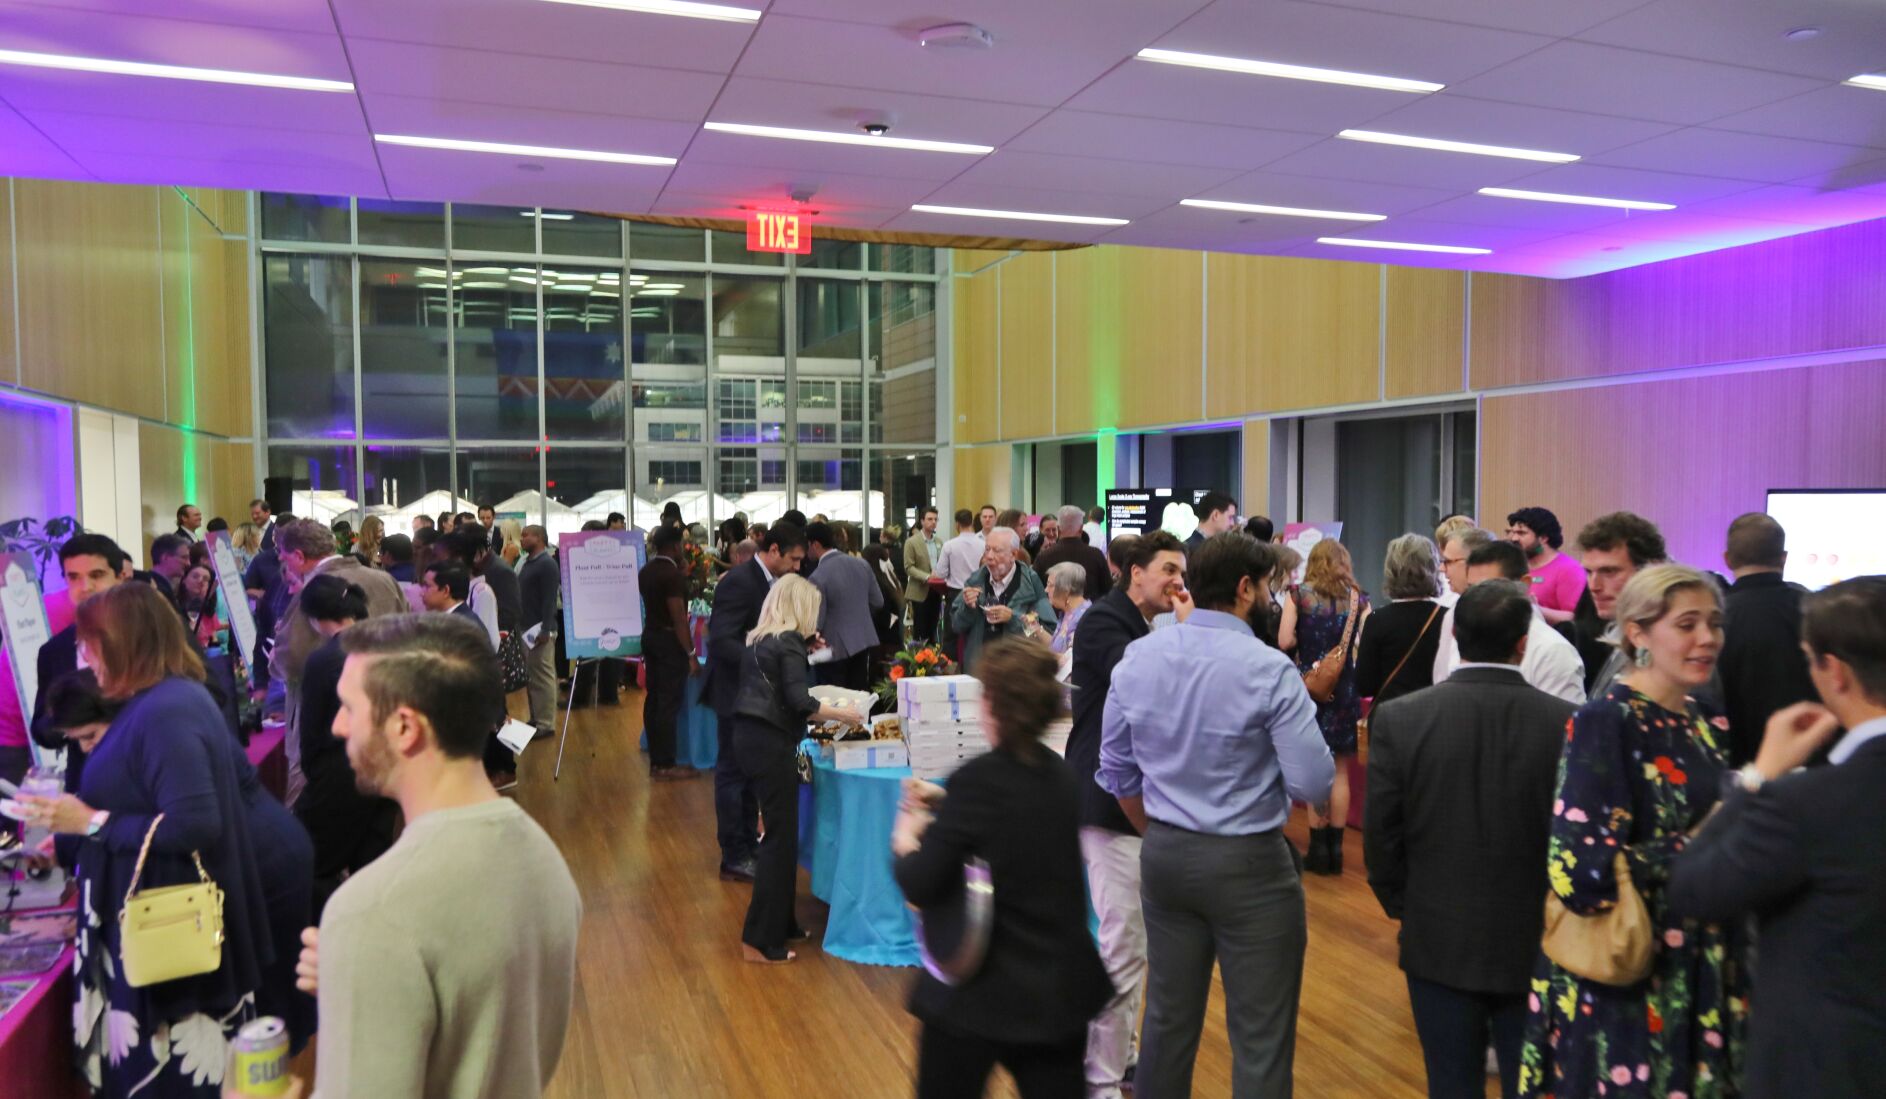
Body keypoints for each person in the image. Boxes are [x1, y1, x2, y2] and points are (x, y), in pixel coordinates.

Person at [300, 613, 582, 1097]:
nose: (338, 726)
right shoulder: (545, 860)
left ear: (405, 727)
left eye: (349, 707)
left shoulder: (372, 910)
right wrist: (360, 976)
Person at [1099, 533, 1335, 1098]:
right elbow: (1313, 780)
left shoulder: (1140, 656)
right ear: (1245, 588)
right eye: (1268, 589)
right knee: (1260, 1036)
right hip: (1250, 862)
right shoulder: (1269, 669)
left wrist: (1156, 832)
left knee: (1167, 1023)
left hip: (1165, 855)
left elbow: (1115, 769)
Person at [20, 583, 273, 1097]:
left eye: (91, 643)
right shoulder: (160, 699)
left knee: (167, 1079)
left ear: (122, 643)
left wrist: (90, 822)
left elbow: (194, 823)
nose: (84, 654)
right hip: (156, 924)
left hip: (166, 933)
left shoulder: (165, 709)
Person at [1516, 565, 1744, 1099]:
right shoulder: (1606, 721)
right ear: (1638, 633)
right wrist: (1708, 836)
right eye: (1687, 624)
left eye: (1714, 623)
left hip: (1699, 962)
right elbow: (1579, 872)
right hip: (1627, 973)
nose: (1707, 638)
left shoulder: (1706, 721)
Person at [1668, 574, 1886, 1099]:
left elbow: (1693, 886)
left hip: (1827, 1067)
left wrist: (1756, 776)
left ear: (1832, 671)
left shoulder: (1806, 802)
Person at [1365, 581, 1578, 1099]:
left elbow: (1382, 838)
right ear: (1524, 641)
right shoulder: (1568, 723)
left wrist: (1407, 908)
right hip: (1537, 938)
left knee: (1450, 1082)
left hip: (1436, 935)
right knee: (1530, 1081)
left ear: (1454, 635)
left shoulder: (1401, 717)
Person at [893, 638, 1113, 1097]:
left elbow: (922, 882)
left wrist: (906, 837)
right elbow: (1018, 825)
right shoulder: (1062, 776)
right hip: (1058, 990)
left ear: (993, 704)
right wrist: (951, 805)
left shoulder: (978, 780)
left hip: (981, 994)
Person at [1065, 529, 1186, 1099]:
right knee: (1125, 945)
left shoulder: (1137, 624)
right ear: (1134, 570)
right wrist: (1189, 641)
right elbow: (1139, 682)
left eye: (1181, 572)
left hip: (1133, 801)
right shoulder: (1102, 622)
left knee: (1132, 942)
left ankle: (1124, 1059)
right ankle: (1102, 1079)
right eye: (1168, 569)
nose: (1177, 582)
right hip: (1107, 803)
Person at [731, 576, 864, 964]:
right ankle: (758, 939)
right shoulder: (788, 640)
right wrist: (845, 713)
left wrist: (804, 649)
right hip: (771, 743)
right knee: (778, 840)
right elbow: (799, 699)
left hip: (750, 737)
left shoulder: (759, 639)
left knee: (782, 836)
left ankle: (782, 923)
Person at [271, 519, 406, 806]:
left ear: (298, 556)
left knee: (314, 824)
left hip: (327, 728)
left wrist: (274, 656)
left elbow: (291, 661)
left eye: (284, 557)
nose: (284, 565)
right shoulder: (384, 579)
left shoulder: (315, 590)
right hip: (385, 714)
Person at [291, 575, 399, 919]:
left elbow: (311, 731)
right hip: (387, 767)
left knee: (313, 862)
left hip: (340, 772)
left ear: (316, 616)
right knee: (374, 858)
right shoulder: (390, 644)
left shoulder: (324, 660)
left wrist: (315, 773)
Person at [704, 523, 807, 883]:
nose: (797, 567)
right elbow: (720, 642)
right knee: (733, 777)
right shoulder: (739, 581)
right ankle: (733, 854)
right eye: (793, 559)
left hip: (757, 698)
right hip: (735, 695)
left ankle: (749, 844)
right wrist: (763, 659)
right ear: (774, 549)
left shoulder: (774, 584)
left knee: (749, 778)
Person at [1282, 537, 1368, 874]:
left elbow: (1285, 640)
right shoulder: (1358, 599)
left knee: (1317, 767)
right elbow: (1363, 643)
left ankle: (1317, 850)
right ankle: (1336, 849)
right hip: (1345, 689)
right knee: (1342, 771)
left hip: (1310, 690)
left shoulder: (1298, 596)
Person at [1715, 512, 1817, 767]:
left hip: (1738, 764)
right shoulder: (1816, 611)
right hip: (1813, 759)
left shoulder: (1712, 620)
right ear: (1783, 558)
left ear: (1727, 559)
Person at [1432, 540, 1588, 705]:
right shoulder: (1458, 621)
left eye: (1492, 588)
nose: (1478, 598)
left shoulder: (1553, 651)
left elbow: (1560, 721)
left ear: (1524, 584)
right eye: (1471, 588)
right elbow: (1441, 684)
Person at [1575, 511, 1668, 696]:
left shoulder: (1674, 639)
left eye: (1609, 571)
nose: (1594, 586)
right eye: (1588, 572)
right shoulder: (1626, 627)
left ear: (1651, 569)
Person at [1354, 533, 1447, 710]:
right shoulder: (1448, 618)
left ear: (1391, 571)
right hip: (1434, 714)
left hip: (1388, 715)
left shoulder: (1377, 620)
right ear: (1433, 569)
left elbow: (1364, 685)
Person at [951, 528, 1056, 673]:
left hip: (1017, 673)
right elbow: (956, 625)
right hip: (979, 670)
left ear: (1013, 554)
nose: (989, 556)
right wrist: (968, 608)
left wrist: (1013, 618)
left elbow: (1046, 628)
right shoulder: (975, 580)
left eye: (997, 550)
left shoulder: (1031, 582)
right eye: (987, 549)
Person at [639, 526, 698, 782]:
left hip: (650, 635)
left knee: (654, 699)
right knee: (668, 703)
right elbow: (679, 619)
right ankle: (665, 764)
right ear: (674, 546)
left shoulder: (647, 571)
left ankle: (656, 759)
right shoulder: (671, 575)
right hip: (668, 641)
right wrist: (691, 653)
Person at [805, 521, 884, 691]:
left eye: (807, 545)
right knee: (859, 696)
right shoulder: (862, 564)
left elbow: (816, 622)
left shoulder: (817, 577)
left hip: (831, 648)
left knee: (834, 702)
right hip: (863, 640)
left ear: (815, 545)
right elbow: (878, 601)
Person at [1504, 507, 1584, 624]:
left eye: (1521, 533)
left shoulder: (1569, 569)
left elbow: (1574, 617)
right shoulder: (1515, 564)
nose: (1514, 538)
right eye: (1513, 532)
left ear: (1543, 538)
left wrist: (1534, 609)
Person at [518, 524, 561, 738]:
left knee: (543, 677)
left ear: (540, 538)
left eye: (526, 535)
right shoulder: (529, 563)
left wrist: (546, 627)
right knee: (533, 677)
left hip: (540, 629)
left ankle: (546, 723)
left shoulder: (547, 564)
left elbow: (549, 599)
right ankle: (536, 718)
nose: (522, 539)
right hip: (528, 628)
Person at [1033, 562, 1089, 698]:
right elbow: (1055, 647)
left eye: (1050, 585)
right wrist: (1034, 627)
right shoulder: (1066, 614)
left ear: (1066, 590)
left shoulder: (1084, 619)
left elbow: (1071, 662)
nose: (1046, 590)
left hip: (1073, 699)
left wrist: (1034, 655)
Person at [1035, 505, 1112, 602]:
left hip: (1053, 615)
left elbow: (1036, 593)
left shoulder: (1043, 557)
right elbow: (1108, 591)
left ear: (1058, 528)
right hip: (1091, 614)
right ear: (1081, 528)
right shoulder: (1096, 556)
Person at [933, 509, 984, 640]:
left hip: (955, 593)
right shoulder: (983, 544)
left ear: (957, 524)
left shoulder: (949, 545)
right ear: (972, 522)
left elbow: (940, 574)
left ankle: (953, 659)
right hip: (978, 593)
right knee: (975, 632)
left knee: (952, 633)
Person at [904, 507, 945, 645]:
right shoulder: (912, 542)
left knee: (933, 628)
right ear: (922, 521)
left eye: (935, 519)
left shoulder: (939, 542)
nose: (933, 522)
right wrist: (927, 576)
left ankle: (931, 661)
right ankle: (919, 662)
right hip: (920, 591)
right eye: (929, 519)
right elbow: (909, 567)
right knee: (921, 631)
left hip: (936, 590)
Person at [178, 562, 223, 649]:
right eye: (195, 576)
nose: (200, 581)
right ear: (184, 580)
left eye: (206, 579)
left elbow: (214, 642)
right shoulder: (175, 607)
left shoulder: (209, 611)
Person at [149, 532, 190, 606]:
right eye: (184, 557)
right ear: (165, 557)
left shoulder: (173, 587)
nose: (188, 563)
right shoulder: (150, 588)